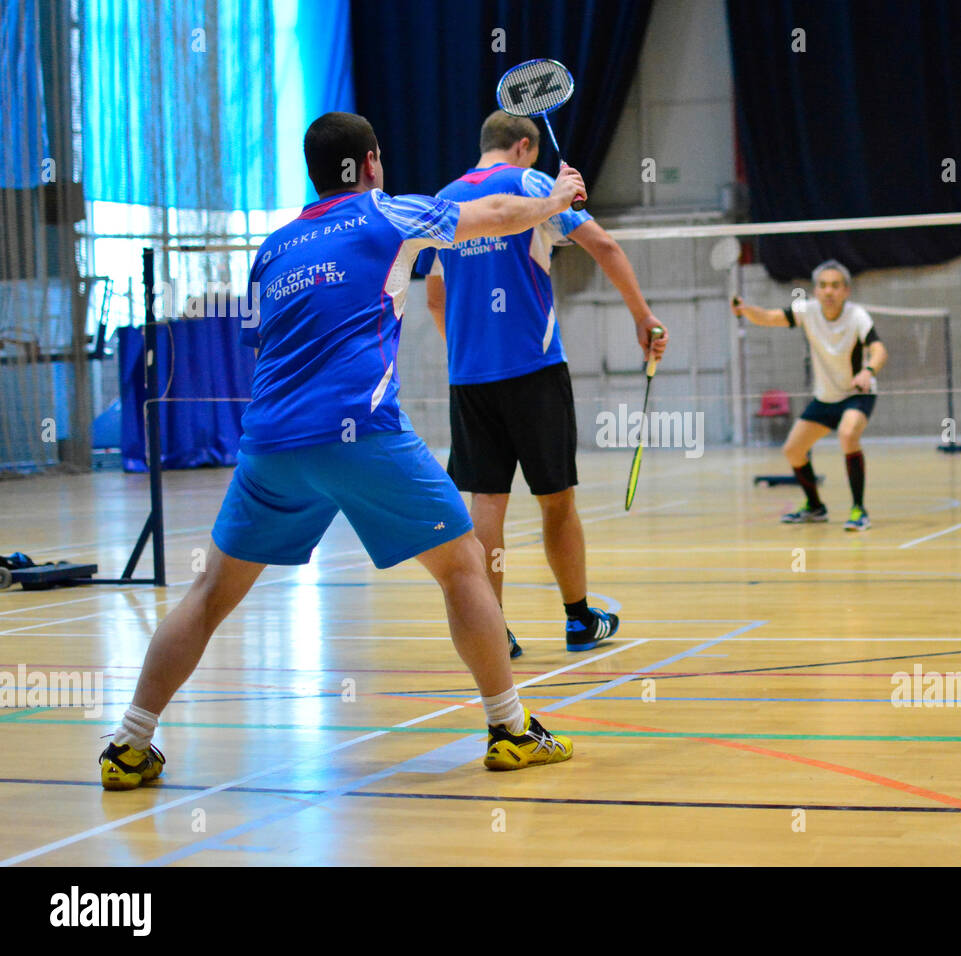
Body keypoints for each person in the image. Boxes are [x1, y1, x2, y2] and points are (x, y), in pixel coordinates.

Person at [98, 112, 587, 790]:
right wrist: (556, 200)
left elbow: (264, 345)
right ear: (372, 161)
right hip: (361, 433)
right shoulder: (391, 215)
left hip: (269, 444)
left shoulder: (272, 250)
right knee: (463, 564)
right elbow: (496, 211)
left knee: (210, 593)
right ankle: (509, 730)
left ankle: (129, 742)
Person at [418, 110, 667, 654]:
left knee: (487, 502)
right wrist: (642, 317)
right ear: (526, 147)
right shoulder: (534, 184)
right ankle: (579, 620)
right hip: (534, 369)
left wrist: (468, 348)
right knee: (556, 501)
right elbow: (605, 247)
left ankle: (494, 630)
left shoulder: (442, 202)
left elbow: (434, 298)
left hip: (470, 377)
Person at [731, 260, 887, 530]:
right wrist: (746, 310)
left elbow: (879, 349)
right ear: (815, 290)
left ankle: (859, 510)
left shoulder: (857, 315)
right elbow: (768, 317)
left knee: (848, 434)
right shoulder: (807, 311)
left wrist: (868, 371)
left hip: (856, 393)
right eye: (823, 286)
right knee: (793, 450)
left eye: (836, 286)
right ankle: (815, 507)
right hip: (825, 397)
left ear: (846, 291)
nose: (829, 292)